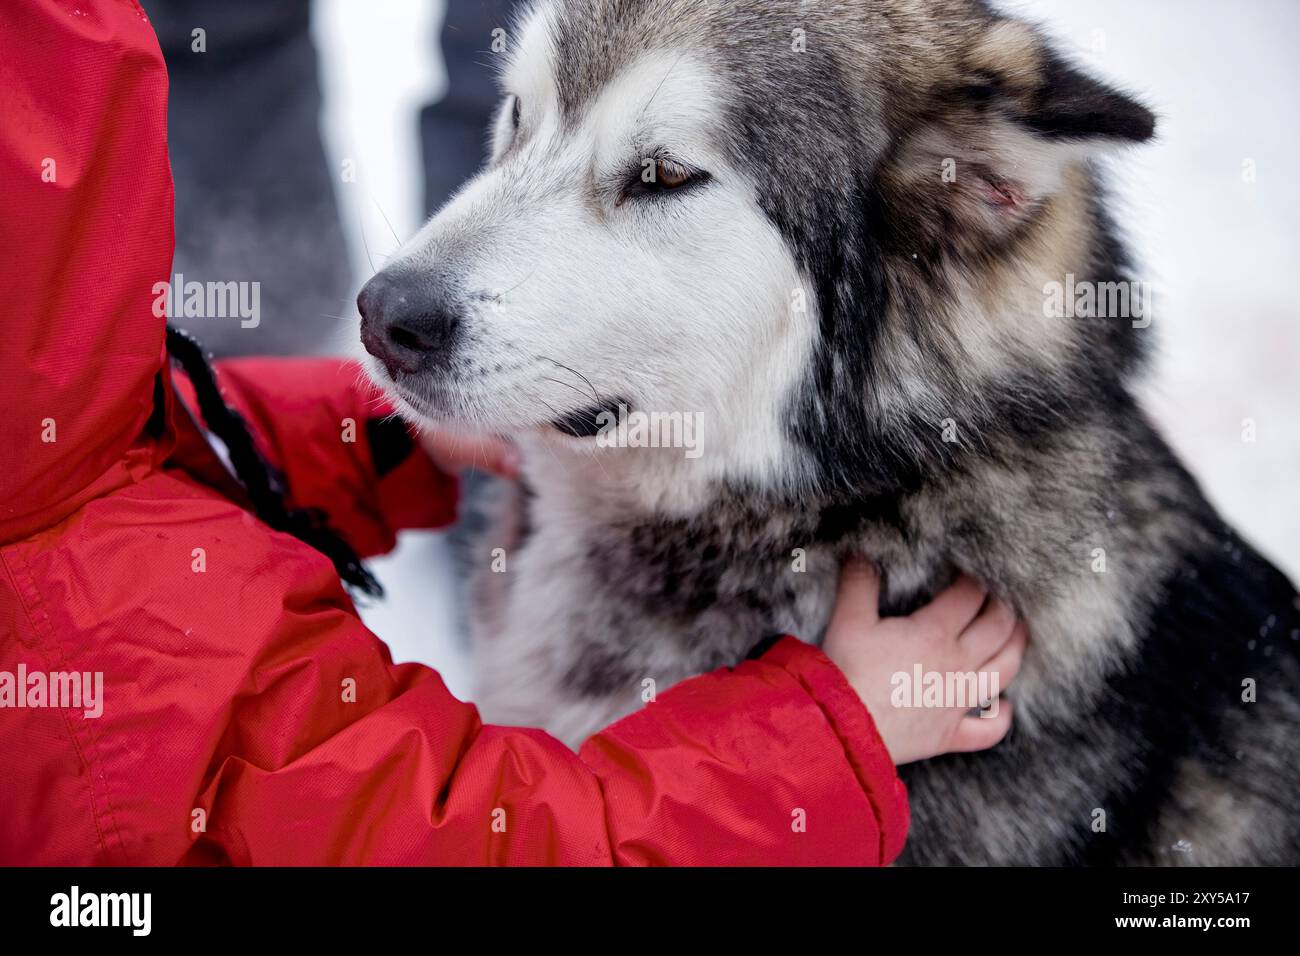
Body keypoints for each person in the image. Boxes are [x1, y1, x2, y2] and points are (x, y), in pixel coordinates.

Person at [0, 0, 1025, 866]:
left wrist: (368, 438)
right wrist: (830, 735)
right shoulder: (110, 651)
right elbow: (502, 842)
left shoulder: (52, 494)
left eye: (658, 177)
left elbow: (93, 448)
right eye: (518, 115)